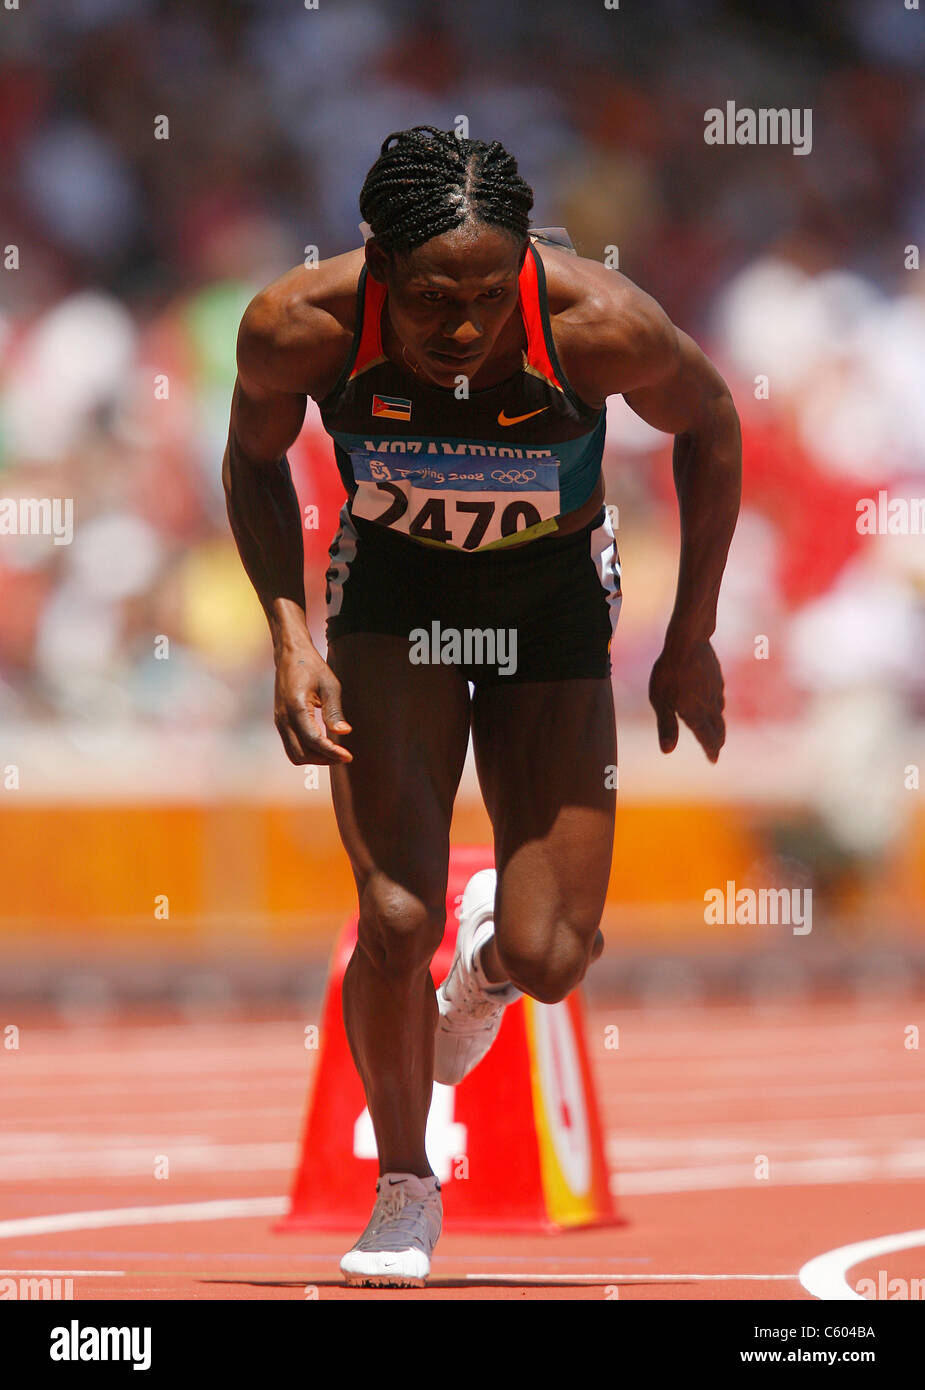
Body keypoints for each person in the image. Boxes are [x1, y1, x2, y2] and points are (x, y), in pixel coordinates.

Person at [223, 125, 741, 1287]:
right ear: (375, 270)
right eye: (426, 301)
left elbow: (711, 426)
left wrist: (692, 637)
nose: (460, 329)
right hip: (395, 589)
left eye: (483, 298)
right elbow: (249, 458)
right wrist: (289, 634)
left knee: (553, 954)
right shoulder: (299, 323)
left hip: (547, 595)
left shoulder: (599, 325)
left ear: (524, 265)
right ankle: (404, 1185)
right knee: (395, 915)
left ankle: (489, 972)